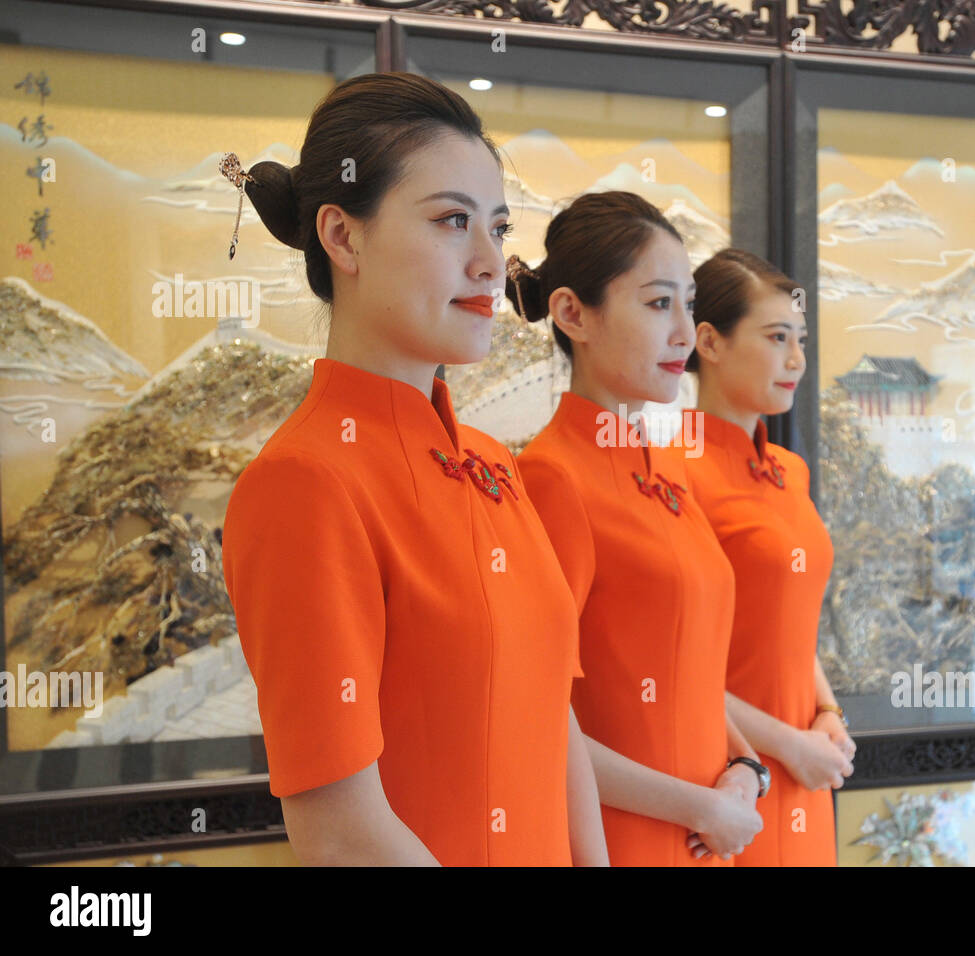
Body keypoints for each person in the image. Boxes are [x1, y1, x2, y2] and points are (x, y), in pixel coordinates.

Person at [219, 72, 606, 866]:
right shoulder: (306, 482)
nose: (491, 262)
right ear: (344, 236)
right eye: (451, 222)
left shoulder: (495, 466)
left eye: (497, 228)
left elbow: (553, 722)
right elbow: (341, 836)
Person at [506, 191, 764, 866]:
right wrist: (701, 805)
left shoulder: (665, 470)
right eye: (658, 304)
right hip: (625, 841)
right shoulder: (553, 477)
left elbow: (697, 678)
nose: (685, 333)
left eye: (688, 303)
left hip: (714, 830)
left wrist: (746, 770)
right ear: (572, 313)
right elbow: (539, 715)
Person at [684, 248, 855, 866]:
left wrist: (828, 710)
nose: (796, 359)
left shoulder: (791, 472)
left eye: (801, 339)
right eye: (776, 336)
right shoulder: (667, 475)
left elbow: (790, 622)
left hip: (807, 764)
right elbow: (671, 664)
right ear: (709, 340)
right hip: (731, 773)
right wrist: (787, 745)